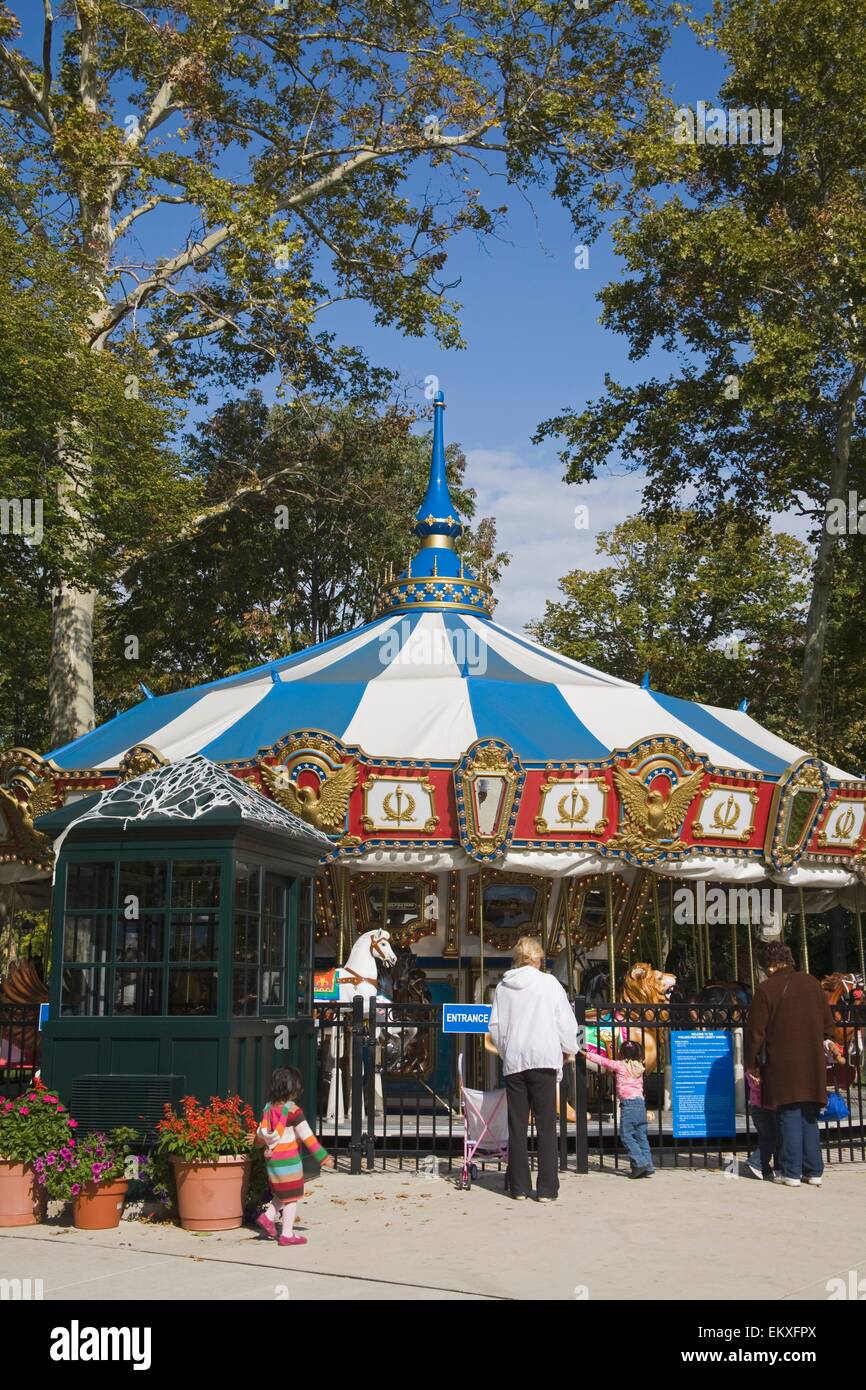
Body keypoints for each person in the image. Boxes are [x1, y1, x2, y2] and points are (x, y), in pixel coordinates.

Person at [487, 935, 578, 1202]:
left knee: (517, 1125)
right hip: (544, 1059)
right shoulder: (549, 984)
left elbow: (496, 1027)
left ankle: (519, 1187)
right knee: (547, 1124)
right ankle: (547, 1189)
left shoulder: (504, 986)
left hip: (516, 1061)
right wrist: (567, 1048)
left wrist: (508, 1051)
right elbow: (565, 1021)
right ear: (538, 959)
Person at [745, 940, 840, 1188]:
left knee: (788, 1113)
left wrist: (752, 1064)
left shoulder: (767, 989)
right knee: (809, 1114)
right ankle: (814, 1170)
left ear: (770, 964)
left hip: (783, 1061)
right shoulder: (812, 983)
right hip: (812, 1061)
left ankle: (791, 1171)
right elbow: (828, 1025)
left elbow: (755, 1032)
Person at [254, 1065, 333, 1246]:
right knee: (292, 1197)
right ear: (293, 1088)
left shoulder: (268, 1108)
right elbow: (307, 1136)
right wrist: (323, 1157)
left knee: (282, 1193)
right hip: (289, 1160)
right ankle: (287, 1234)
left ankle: (268, 1217)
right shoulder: (293, 1111)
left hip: (272, 1159)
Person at [581, 1039, 654, 1178]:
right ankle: (648, 1164)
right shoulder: (640, 1066)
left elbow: (603, 1061)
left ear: (621, 1053)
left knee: (626, 1136)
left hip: (629, 1105)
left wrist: (586, 1054)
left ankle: (640, 1163)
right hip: (640, 1105)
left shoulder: (620, 1066)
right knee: (641, 1136)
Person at [745, 1068, 777, 1181]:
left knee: (766, 1137)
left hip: (756, 1107)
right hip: (766, 1108)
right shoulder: (758, 1072)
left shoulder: (751, 1069)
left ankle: (765, 1167)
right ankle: (755, 1162)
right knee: (771, 1138)